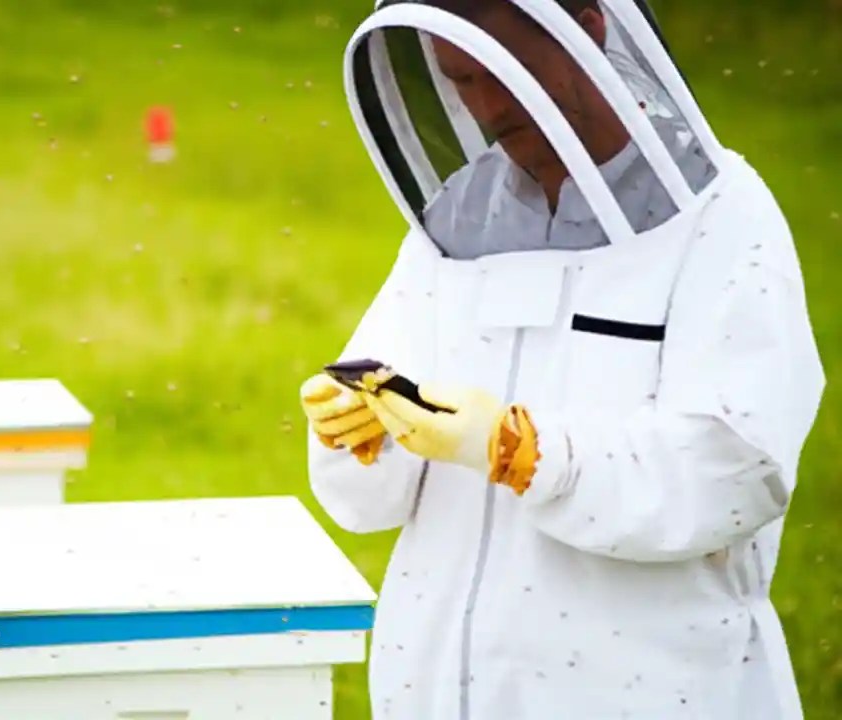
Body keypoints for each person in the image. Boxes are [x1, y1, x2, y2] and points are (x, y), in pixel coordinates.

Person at [298, 1, 825, 719]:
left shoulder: (720, 216)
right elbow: (369, 502)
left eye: (500, 72)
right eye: (460, 79)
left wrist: (527, 453)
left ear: (587, 26)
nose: (483, 106)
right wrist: (354, 432)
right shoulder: (456, 221)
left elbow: (735, 469)